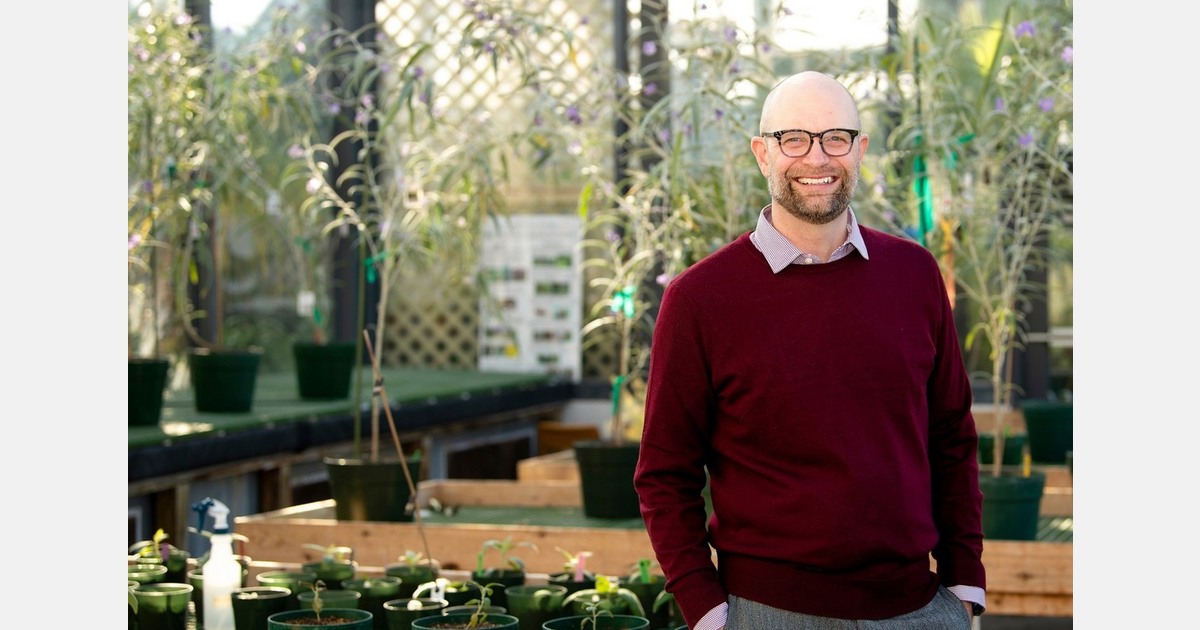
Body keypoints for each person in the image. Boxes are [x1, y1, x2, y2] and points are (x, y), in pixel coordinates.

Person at [632, 71, 986, 630]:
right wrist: (705, 609)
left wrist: (964, 581)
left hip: (921, 609)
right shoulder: (700, 298)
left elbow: (951, 435)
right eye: (793, 139)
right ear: (762, 154)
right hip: (770, 613)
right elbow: (665, 471)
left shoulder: (915, 275)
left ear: (860, 149)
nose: (816, 158)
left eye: (836, 138)